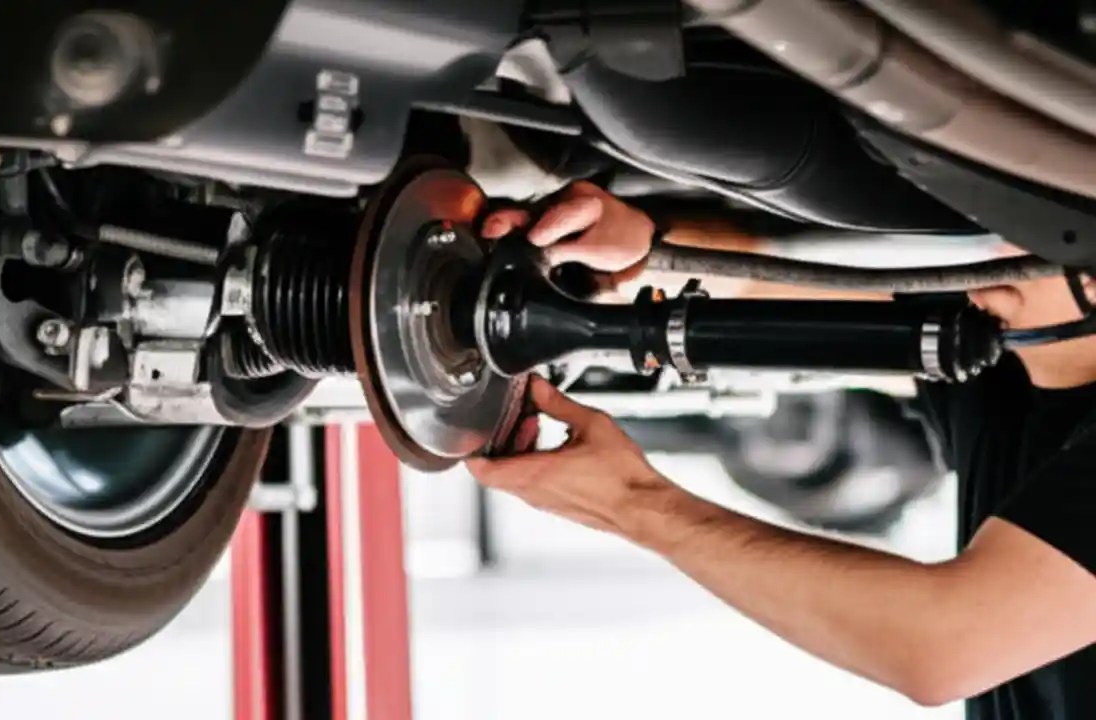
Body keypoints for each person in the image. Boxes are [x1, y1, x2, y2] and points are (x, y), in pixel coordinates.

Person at [467, 181, 1096, 719]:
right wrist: (643, 250)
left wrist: (634, 504)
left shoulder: (1029, 360)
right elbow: (794, 291)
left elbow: (944, 644)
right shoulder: (1014, 361)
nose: (998, 241)